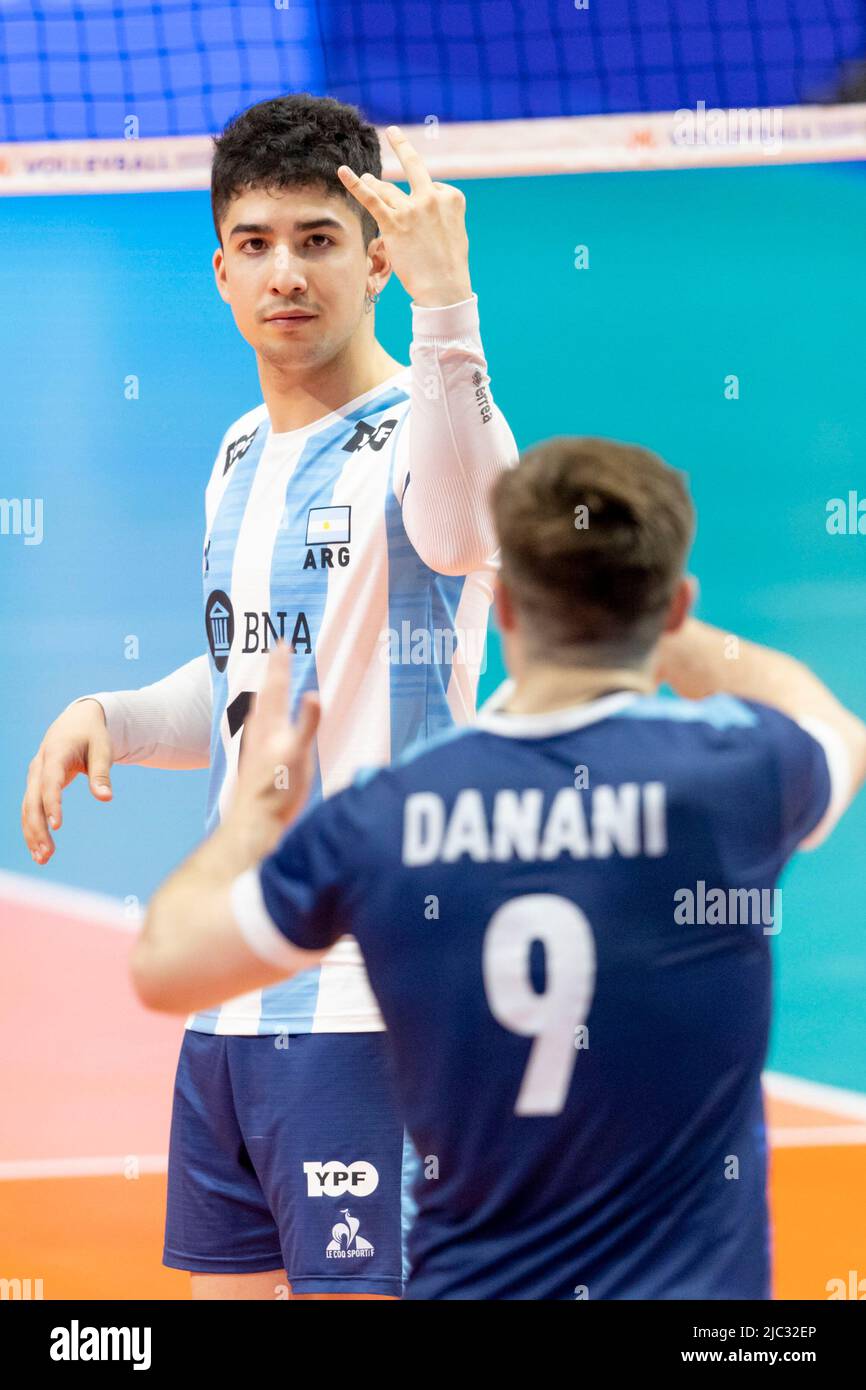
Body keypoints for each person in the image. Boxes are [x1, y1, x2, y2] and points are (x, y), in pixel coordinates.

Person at [131, 435, 865, 1299]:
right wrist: (675, 636)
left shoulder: (388, 813)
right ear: (673, 608)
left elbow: (165, 970)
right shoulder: (736, 781)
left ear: (506, 607)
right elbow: (837, 731)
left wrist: (247, 826)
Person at [21, 93, 517, 1300]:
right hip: (230, 1005)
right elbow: (257, 680)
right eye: (256, 243)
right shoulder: (241, 451)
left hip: (367, 1000)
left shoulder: (422, 432)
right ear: (220, 268)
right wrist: (122, 716)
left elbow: (478, 514)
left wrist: (451, 310)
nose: (284, 272)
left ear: (376, 257)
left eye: (317, 237)